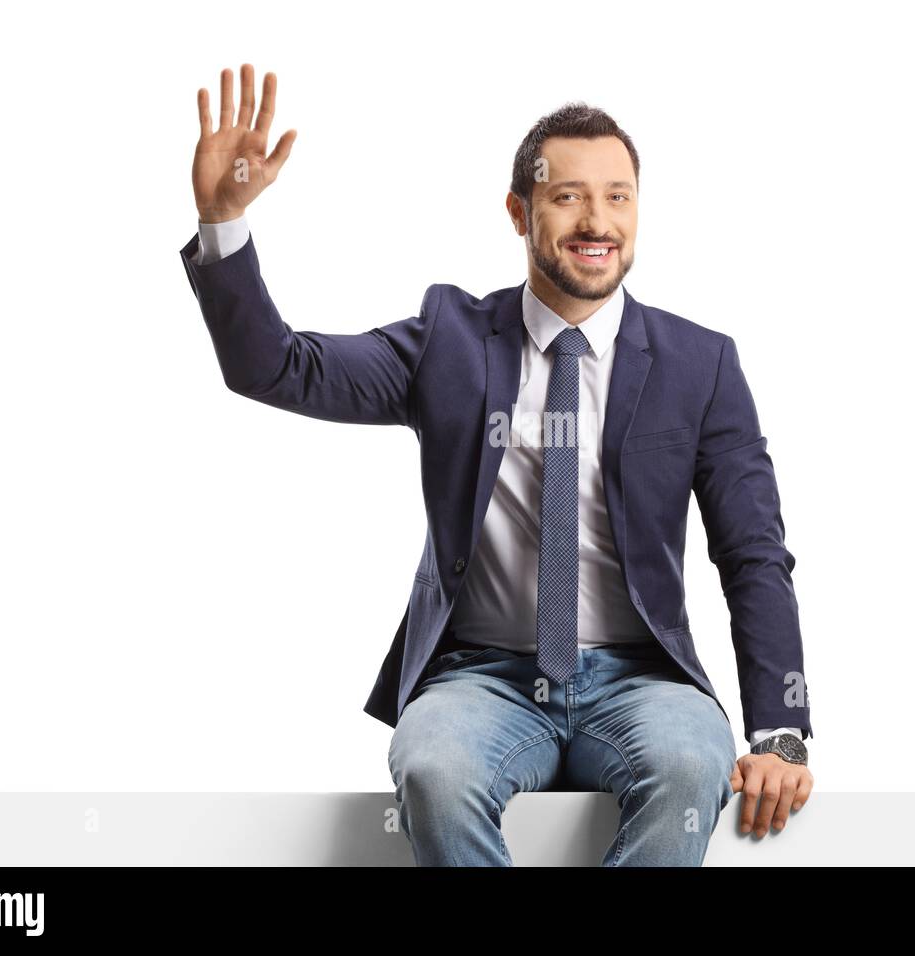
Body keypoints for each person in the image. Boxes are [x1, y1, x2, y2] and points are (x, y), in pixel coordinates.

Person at [179, 64, 814, 866]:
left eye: (619, 195)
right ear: (519, 211)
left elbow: (754, 553)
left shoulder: (701, 364)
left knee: (691, 768)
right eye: (568, 195)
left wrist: (780, 731)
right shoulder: (449, 342)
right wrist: (221, 225)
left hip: (642, 682)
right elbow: (277, 367)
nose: (598, 220)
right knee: (433, 771)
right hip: (482, 679)